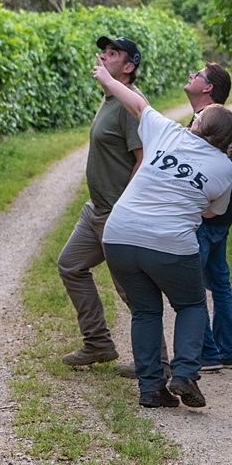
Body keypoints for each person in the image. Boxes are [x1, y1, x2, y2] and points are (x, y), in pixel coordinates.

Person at [93, 59, 232, 409]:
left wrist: (106, 78)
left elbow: (136, 102)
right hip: (171, 244)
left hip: (120, 235)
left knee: (145, 312)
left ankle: (151, 390)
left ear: (198, 123)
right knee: (190, 304)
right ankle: (185, 374)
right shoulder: (224, 166)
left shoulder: (167, 132)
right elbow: (211, 212)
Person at [58, 36, 145, 368]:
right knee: (71, 265)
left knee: (132, 292)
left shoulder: (130, 103)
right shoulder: (109, 100)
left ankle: (159, 363)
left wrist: (126, 207)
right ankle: (97, 343)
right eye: (103, 52)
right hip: (96, 210)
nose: (103, 57)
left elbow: (143, 158)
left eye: (113, 54)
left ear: (127, 67)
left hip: (116, 214)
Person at [184, 63, 232, 372]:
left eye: (198, 75)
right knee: (220, 282)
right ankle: (229, 350)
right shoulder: (219, 121)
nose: (192, 76)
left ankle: (208, 352)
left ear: (208, 88)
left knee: (193, 286)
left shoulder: (207, 124)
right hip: (220, 216)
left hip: (205, 220)